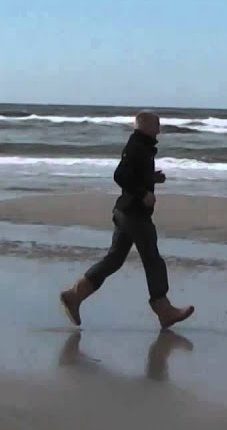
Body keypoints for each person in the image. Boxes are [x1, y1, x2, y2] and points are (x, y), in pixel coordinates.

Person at [58, 110, 194, 329]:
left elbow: (133, 174)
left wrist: (152, 178)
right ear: (146, 125)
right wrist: (143, 194)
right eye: (157, 124)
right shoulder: (137, 147)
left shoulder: (142, 146)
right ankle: (164, 309)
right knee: (152, 259)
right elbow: (120, 175)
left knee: (114, 259)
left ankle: (75, 295)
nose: (160, 128)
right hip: (133, 214)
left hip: (125, 212)